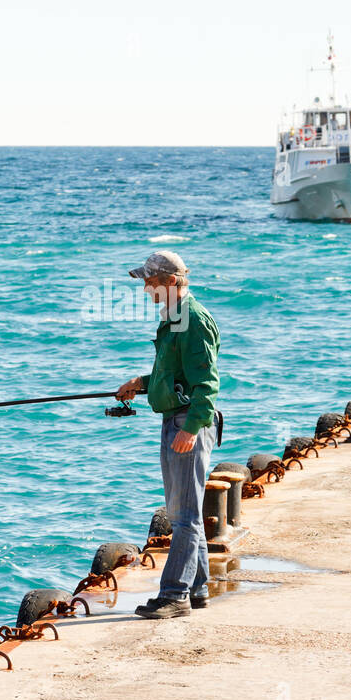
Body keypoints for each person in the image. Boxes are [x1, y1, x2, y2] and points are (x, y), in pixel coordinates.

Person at [116, 250, 221, 619]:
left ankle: (175, 595)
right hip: (176, 419)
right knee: (184, 512)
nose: (145, 288)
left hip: (187, 423)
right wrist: (141, 384)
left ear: (171, 282)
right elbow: (176, 375)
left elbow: (207, 384)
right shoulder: (175, 317)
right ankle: (198, 589)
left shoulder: (192, 320)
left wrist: (192, 428)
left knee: (184, 516)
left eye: (150, 281)